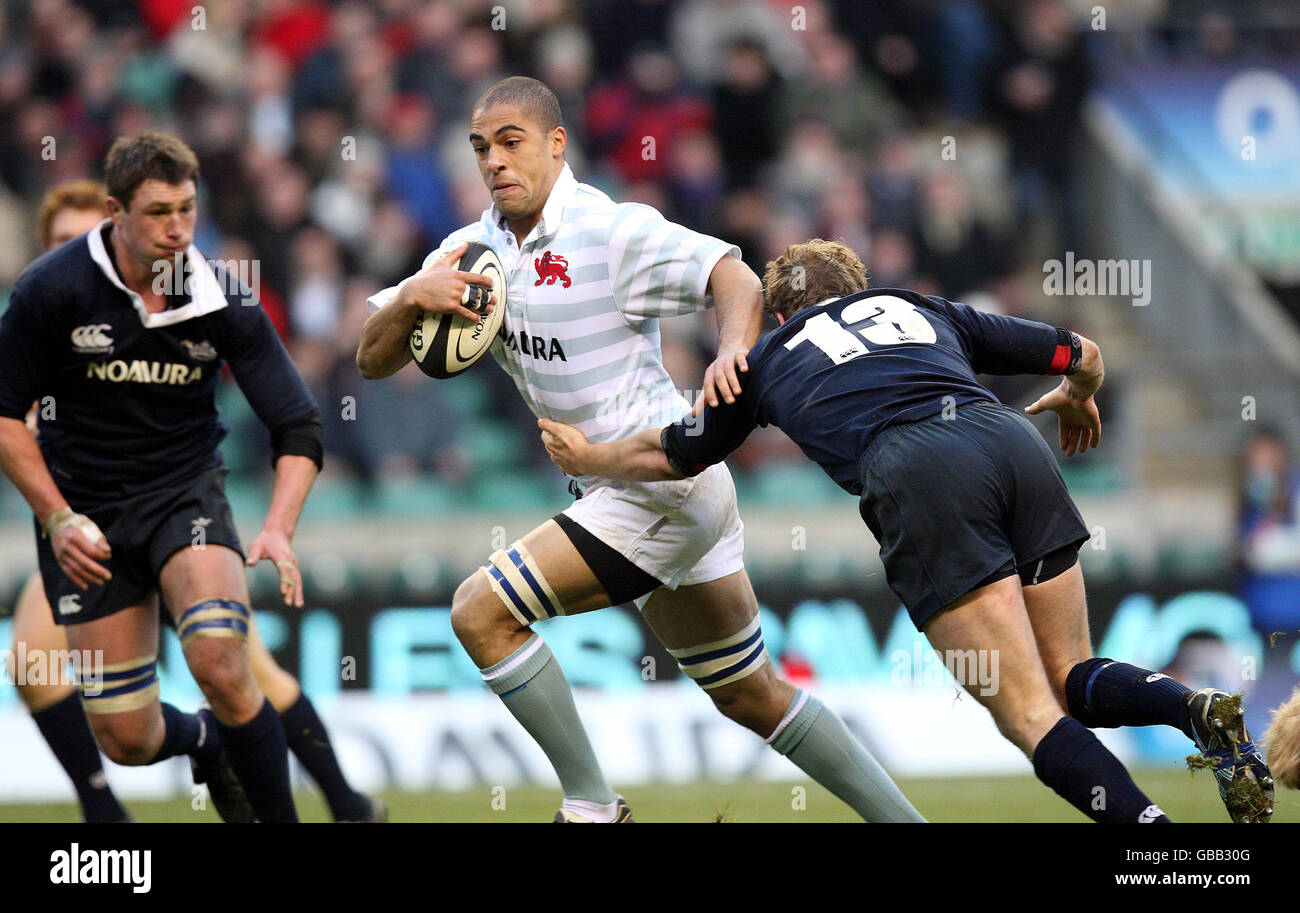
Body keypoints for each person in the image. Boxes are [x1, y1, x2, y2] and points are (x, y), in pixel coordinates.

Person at [538, 238, 1276, 823]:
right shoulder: (921, 307)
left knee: (1027, 714)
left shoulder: (762, 360)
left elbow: (669, 454)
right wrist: (1080, 397)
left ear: (780, 313)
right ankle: (1195, 707)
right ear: (855, 292)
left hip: (920, 470)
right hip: (1011, 440)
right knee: (1071, 680)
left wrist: (589, 454)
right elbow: (1081, 352)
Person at [358, 77, 923, 823]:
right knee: (750, 693)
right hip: (649, 490)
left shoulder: (608, 230)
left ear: (557, 145)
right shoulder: (469, 252)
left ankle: (593, 805)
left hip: (659, 483)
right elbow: (371, 358)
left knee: (479, 614)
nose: (493, 160)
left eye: (511, 142)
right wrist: (409, 298)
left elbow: (734, 274)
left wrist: (728, 355)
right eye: (480, 147)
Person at [1, 178, 383, 823]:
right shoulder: (44, 315)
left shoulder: (184, 301)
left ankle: (346, 804)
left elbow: (285, 413)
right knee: (34, 666)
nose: (75, 249)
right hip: (85, 530)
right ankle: (116, 798)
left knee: (240, 668)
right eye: (61, 241)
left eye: (83, 234)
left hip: (178, 515)